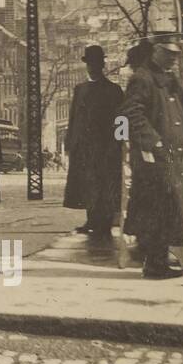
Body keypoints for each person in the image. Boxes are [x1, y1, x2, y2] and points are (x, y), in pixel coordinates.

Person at [123, 31, 183, 279]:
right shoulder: (143, 79)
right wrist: (155, 143)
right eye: (168, 54)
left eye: (176, 55)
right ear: (155, 52)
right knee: (158, 207)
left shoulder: (170, 80)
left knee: (174, 208)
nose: (173, 59)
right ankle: (155, 264)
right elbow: (131, 114)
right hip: (158, 157)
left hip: (177, 154)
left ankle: (163, 259)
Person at [63, 44, 123, 237]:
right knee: (88, 185)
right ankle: (91, 220)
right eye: (89, 63)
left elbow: (122, 120)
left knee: (103, 185)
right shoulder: (80, 90)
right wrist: (70, 142)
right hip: (84, 148)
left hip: (105, 148)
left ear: (102, 65)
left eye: (95, 63)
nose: (92, 67)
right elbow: (74, 118)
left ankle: (103, 224)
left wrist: (119, 144)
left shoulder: (114, 90)